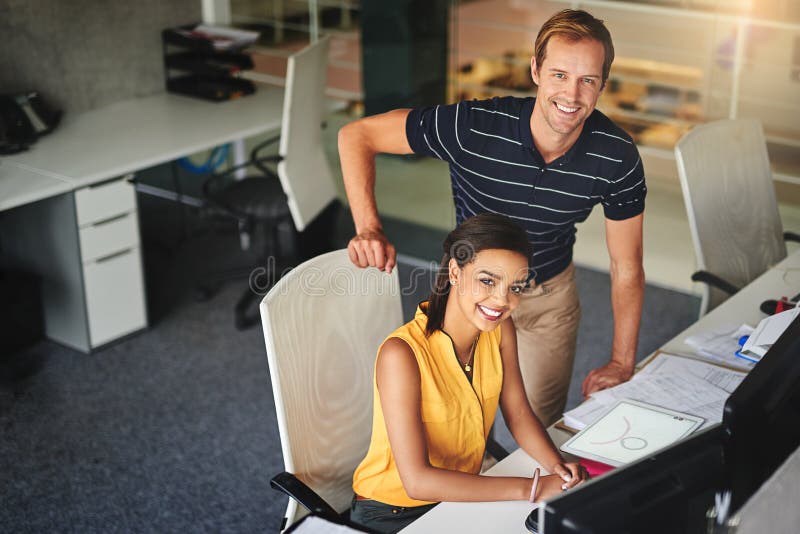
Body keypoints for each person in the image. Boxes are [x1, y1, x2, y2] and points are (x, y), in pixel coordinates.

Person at [338, 9, 646, 426]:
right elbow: (357, 135)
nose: (571, 95)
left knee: (539, 427)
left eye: (587, 80)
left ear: (602, 85)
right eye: (558, 74)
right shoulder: (473, 126)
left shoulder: (616, 156)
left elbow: (626, 265)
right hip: (470, 294)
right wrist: (368, 227)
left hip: (546, 299)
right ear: (535, 70)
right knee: (448, 424)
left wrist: (621, 362)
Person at [350, 213, 588, 534]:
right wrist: (530, 488)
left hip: (459, 495)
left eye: (515, 287)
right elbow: (417, 481)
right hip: (393, 512)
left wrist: (557, 469)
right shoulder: (402, 354)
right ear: (455, 271)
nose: (502, 300)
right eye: (488, 281)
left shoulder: (500, 329)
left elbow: (517, 413)